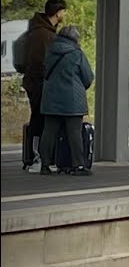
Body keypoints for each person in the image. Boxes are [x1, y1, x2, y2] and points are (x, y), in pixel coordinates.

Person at [39, 25, 94, 176]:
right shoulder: (77, 54)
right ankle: (78, 165)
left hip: (51, 98)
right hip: (73, 100)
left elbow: (44, 72)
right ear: (75, 38)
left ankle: (44, 165)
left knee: (49, 132)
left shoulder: (49, 51)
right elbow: (88, 77)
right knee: (74, 132)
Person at [21, 0, 67, 148]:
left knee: (38, 118)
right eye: (63, 11)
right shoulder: (45, 35)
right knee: (40, 120)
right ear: (58, 13)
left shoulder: (38, 31)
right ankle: (36, 154)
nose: (64, 14)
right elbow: (41, 62)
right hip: (40, 84)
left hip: (34, 82)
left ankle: (35, 153)